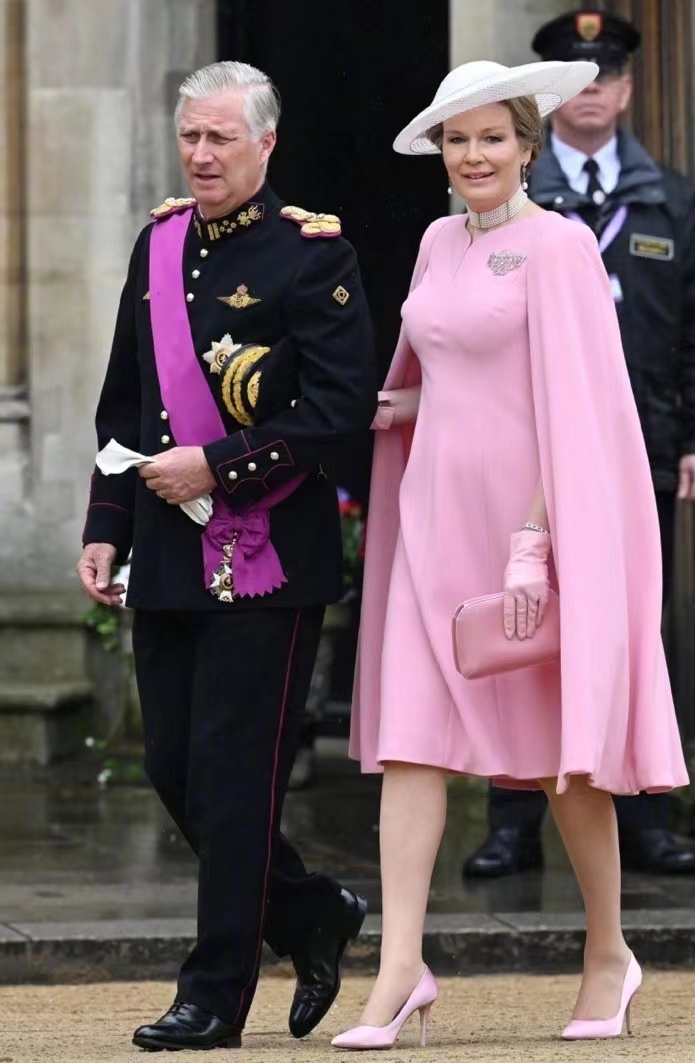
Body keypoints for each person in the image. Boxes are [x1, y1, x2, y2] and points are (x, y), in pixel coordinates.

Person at [334, 57, 689, 1050]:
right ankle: (398, 966)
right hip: (431, 522)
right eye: (457, 139)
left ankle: (608, 952)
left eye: (492, 136)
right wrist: (383, 408)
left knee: (559, 764)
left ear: (526, 147)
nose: (473, 154)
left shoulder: (560, 247)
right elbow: (437, 370)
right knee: (409, 744)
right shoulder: (434, 241)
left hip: (525, 534)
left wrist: (535, 544)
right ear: (439, 155)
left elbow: (570, 407)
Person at [76, 61, 377, 1052]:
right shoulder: (159, 242)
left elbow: (336, 413)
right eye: (190, 138)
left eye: (220, 139)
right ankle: (305, 911)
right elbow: (126, 402)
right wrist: (105, 521)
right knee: (172, 768)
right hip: (165, 550)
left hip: (266, 555)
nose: (201, 155)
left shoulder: (311, 256)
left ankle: (213, 993)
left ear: (265, 144)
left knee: (235, 778)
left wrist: (220, 462)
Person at [464, 10, 695, 882]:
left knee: (627, 631)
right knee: (521, 629)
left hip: (636, 453)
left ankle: (646, 818)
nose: (594, 92)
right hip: (527, 454)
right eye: (574, 79)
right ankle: (511, 823)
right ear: (550, 102)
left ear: (623, 89)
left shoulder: (670, 198)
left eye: (606, 77)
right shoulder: (508, 206)